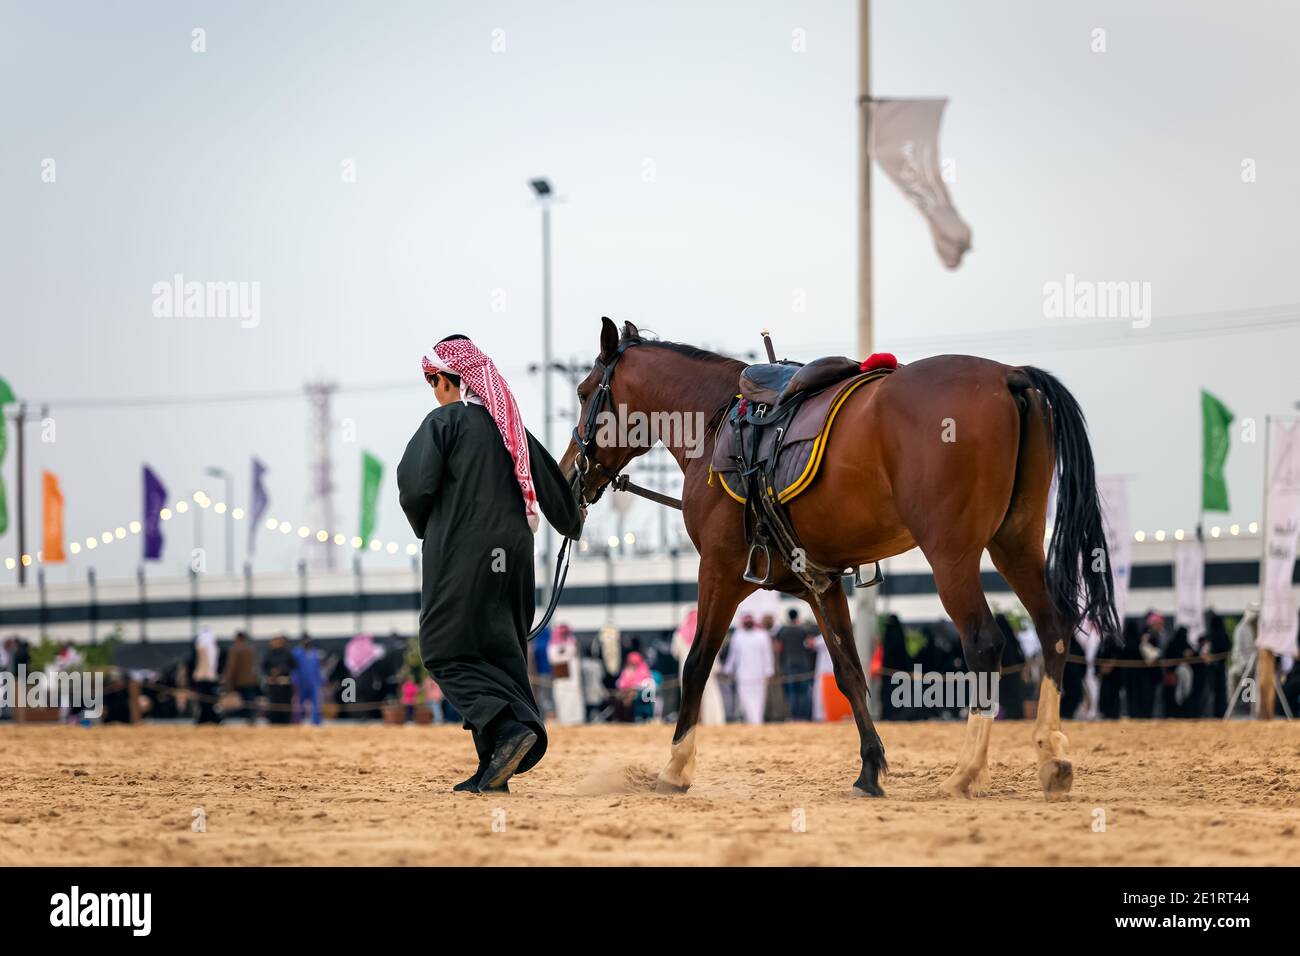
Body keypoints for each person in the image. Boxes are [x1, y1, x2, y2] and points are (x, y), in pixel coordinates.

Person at [398, 334, 583, 794]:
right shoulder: (512, 429)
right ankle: (493, 767)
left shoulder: (446, 422)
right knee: (500, 651)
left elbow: (416, 487)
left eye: (433, 380)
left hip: (463, 554)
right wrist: (572, 522)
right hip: (516, 558)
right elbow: (556, 492)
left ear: (447, 378)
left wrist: (430, 525)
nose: (434, 390)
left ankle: (507, 728)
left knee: (442, 647)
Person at [671, 608, 725, 726]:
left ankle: (689, 723)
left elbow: (674, 653)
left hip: (688, 671)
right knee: (710, 695)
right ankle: (713, 721)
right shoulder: (708, 632)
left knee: (689, 697)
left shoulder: (679, 635)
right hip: (706, 670)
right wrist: (716, 666)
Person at [723, 614, 774, 724]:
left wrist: (769, 671)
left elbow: (768, 655)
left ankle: (756, 722)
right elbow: (733, 655)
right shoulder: (738, 636)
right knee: (745, 701)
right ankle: (753, 722)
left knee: (759, 701)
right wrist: (728, 670)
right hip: (743, 676)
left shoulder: (762, 635)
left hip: (759, 675)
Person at [775, 609, 815, 721]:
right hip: (803, 665)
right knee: (803, 692)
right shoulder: (803, 630)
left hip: (788, 665)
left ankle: (793, 716)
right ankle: (803, 716)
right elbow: (811, 644)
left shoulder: (782, 631)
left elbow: (778, 648)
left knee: (791, 693)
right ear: (797, 616)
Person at [546, 624, 585, 726]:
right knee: (562, 697)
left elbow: (572, 654)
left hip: (572, 677)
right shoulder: (553, 645)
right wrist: (564, 655)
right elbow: (553, 658)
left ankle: (576, 719)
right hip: (561, 676)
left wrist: (564, 654)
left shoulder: (571, 641)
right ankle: (564, 719)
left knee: (574, 697)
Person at [222, 630, 260, 723]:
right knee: (249, 701)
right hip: (250, 680)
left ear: (238, 638)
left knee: (244, 702)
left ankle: (226, 716)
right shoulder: (250, 649)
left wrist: (227, 680)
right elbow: (254, 666)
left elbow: (232, 666)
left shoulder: (235, 649)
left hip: (239, 681)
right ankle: (251, 718)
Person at [262, 634, 295, 725]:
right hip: (273, 685)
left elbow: (293, 665)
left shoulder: (287, 653)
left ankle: (286, 722)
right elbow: (264, 667)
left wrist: (281, 670)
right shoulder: (269, 654)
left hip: (285, 685)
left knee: (285, 705)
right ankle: (273, 722)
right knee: (273, 705)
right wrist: (271, 672)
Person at [292, 636, 324, 726]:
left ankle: (316, 721)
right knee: (298, 703)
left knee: (316, 702)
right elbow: (294, 668)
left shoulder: (314, 652)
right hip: (301, 682)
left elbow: (318, 668)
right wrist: (295, 680)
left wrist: (321, 680)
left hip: (313, 682)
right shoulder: (297, 652)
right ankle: (297, 721)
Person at [192, 627, 221, 724]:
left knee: (205, 699)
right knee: (207, 699)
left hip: (203, 677)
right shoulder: (212, 646)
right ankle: (207, 718)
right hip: (208, 677)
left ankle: (206, 718)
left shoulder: (202, 644)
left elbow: (202, 662)